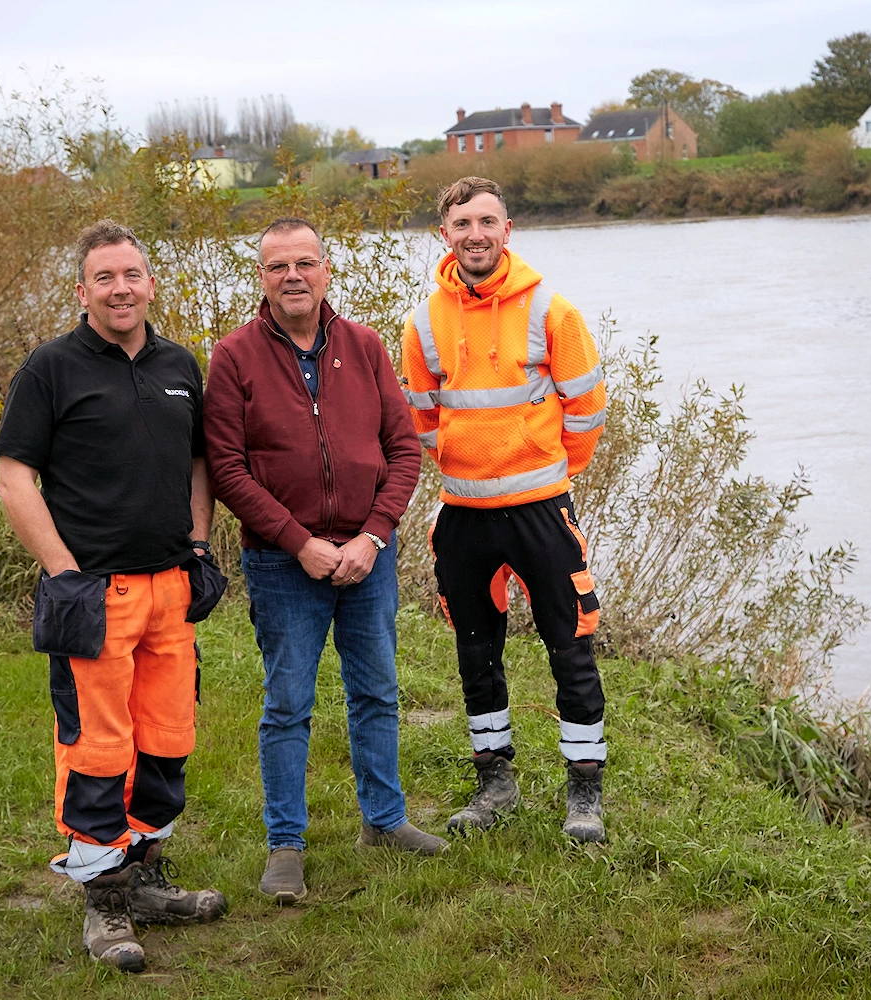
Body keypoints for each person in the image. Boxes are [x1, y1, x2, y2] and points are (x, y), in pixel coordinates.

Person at [0, 220, 227, 973]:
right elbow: (14, 479)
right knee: (98, 751)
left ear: (150, 282)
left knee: (166, 738)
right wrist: (64, 570)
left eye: (132, 274)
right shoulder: (50, 369)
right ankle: (104, 904)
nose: (121, 288)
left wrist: (197, 544)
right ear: (83, 290)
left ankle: (146, 876)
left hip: (170, 590)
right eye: (105, 277)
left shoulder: (179, 364)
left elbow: (199, 464)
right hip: (94, 593)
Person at [204, 216, 447, 905]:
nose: (293, 277)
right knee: (288, 704)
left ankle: (385, 820)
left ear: (326, 270)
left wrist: (372, 536)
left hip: (369, 557)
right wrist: (297, 541)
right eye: (278, 266)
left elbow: (404, 451)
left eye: (304, 263)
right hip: (285, 565)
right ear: (262, 277)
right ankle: (286, 845)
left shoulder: (366, 347)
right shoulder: (234, 357)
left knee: (377, 691)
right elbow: (225, 467)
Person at [401, 177, 608, 843]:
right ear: (446, 236)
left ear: (508, 229)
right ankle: (495, 782)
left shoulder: (554, 310)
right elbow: (423, 421)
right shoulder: (424, 321)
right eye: (462, 224)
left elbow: (587, 411)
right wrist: (469, 465)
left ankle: (584, 793)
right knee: (474, 652)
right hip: (463, 517)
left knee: (570, 648)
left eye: (487, 221)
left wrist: (545, 469)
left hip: (542, 512)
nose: (476, 234)